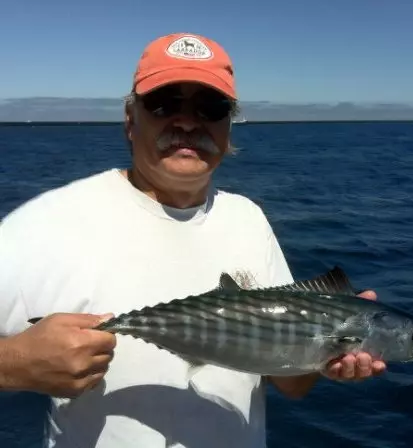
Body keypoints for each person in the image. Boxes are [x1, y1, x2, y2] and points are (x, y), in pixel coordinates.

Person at [0, 33, 386, 448]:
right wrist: (14, 364)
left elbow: (290, 384)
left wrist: (330, 351)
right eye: (164, 104)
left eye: (210, 107)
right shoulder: (44, 223)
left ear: (228, 126)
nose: (187, 121)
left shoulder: (248, 218)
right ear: (131, 120)